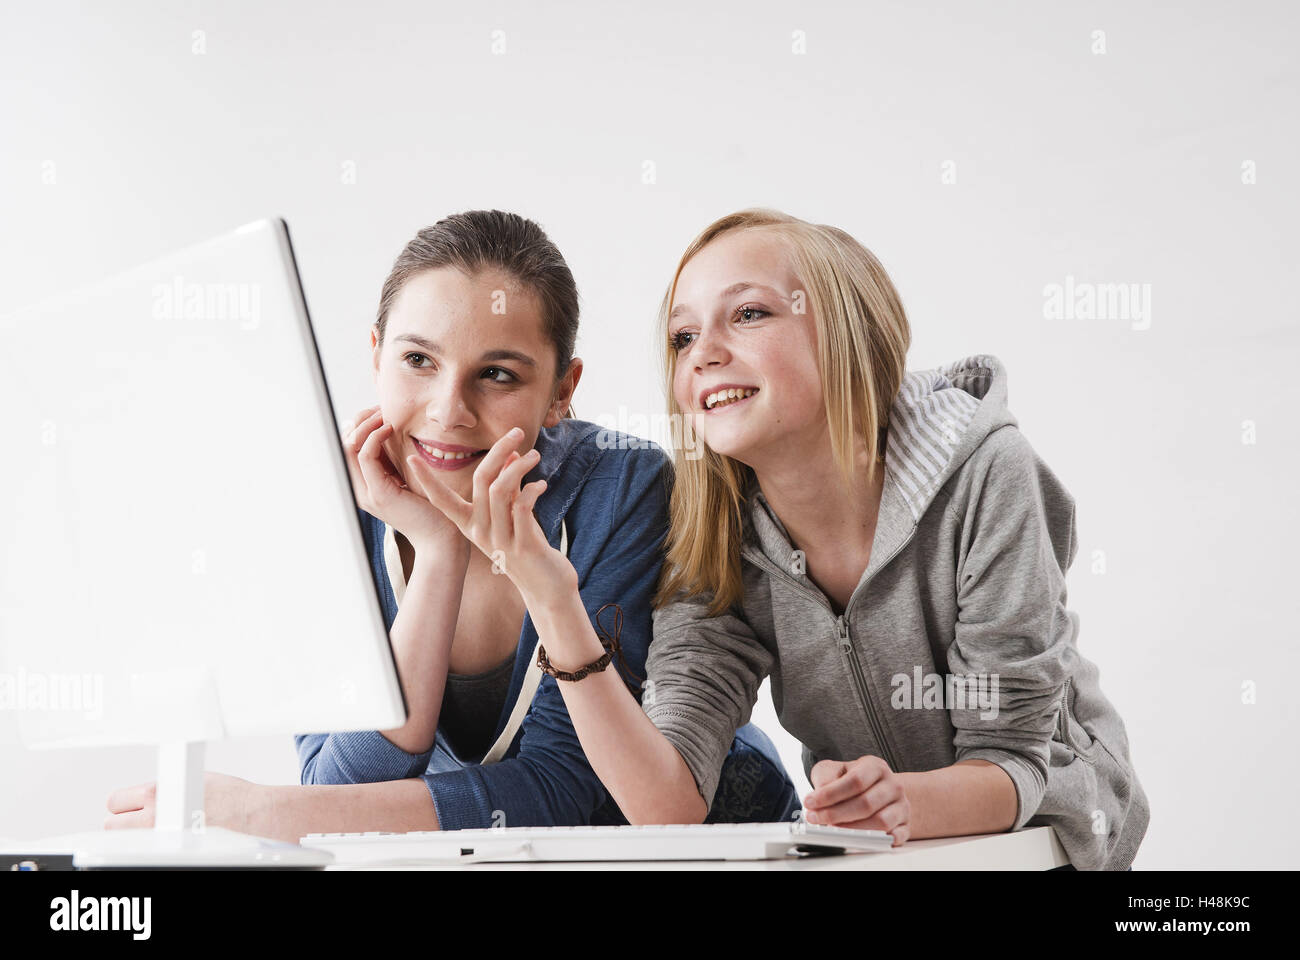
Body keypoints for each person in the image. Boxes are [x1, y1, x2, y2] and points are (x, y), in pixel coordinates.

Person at [443, 207, 1150, 870]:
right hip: (888, 851)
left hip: (1048, 844)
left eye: (748, 314)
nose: (702, 355)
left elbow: (1015, 758)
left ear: (847, 333)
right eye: (683, 336)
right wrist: (551, 598)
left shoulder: (987, 476)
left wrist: (903, 801)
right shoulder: (714, 533)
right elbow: (666, 802)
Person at [104, 210, 798, 839]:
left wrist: (272, 813)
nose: (447, 410)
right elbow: (343, 784)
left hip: (706, 844)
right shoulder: (335, 505)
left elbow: (563, 790)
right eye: (417, 360)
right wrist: (436, 554)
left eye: (496, 374)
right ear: (375, 354)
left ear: (561, 392)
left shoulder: (623, 487)